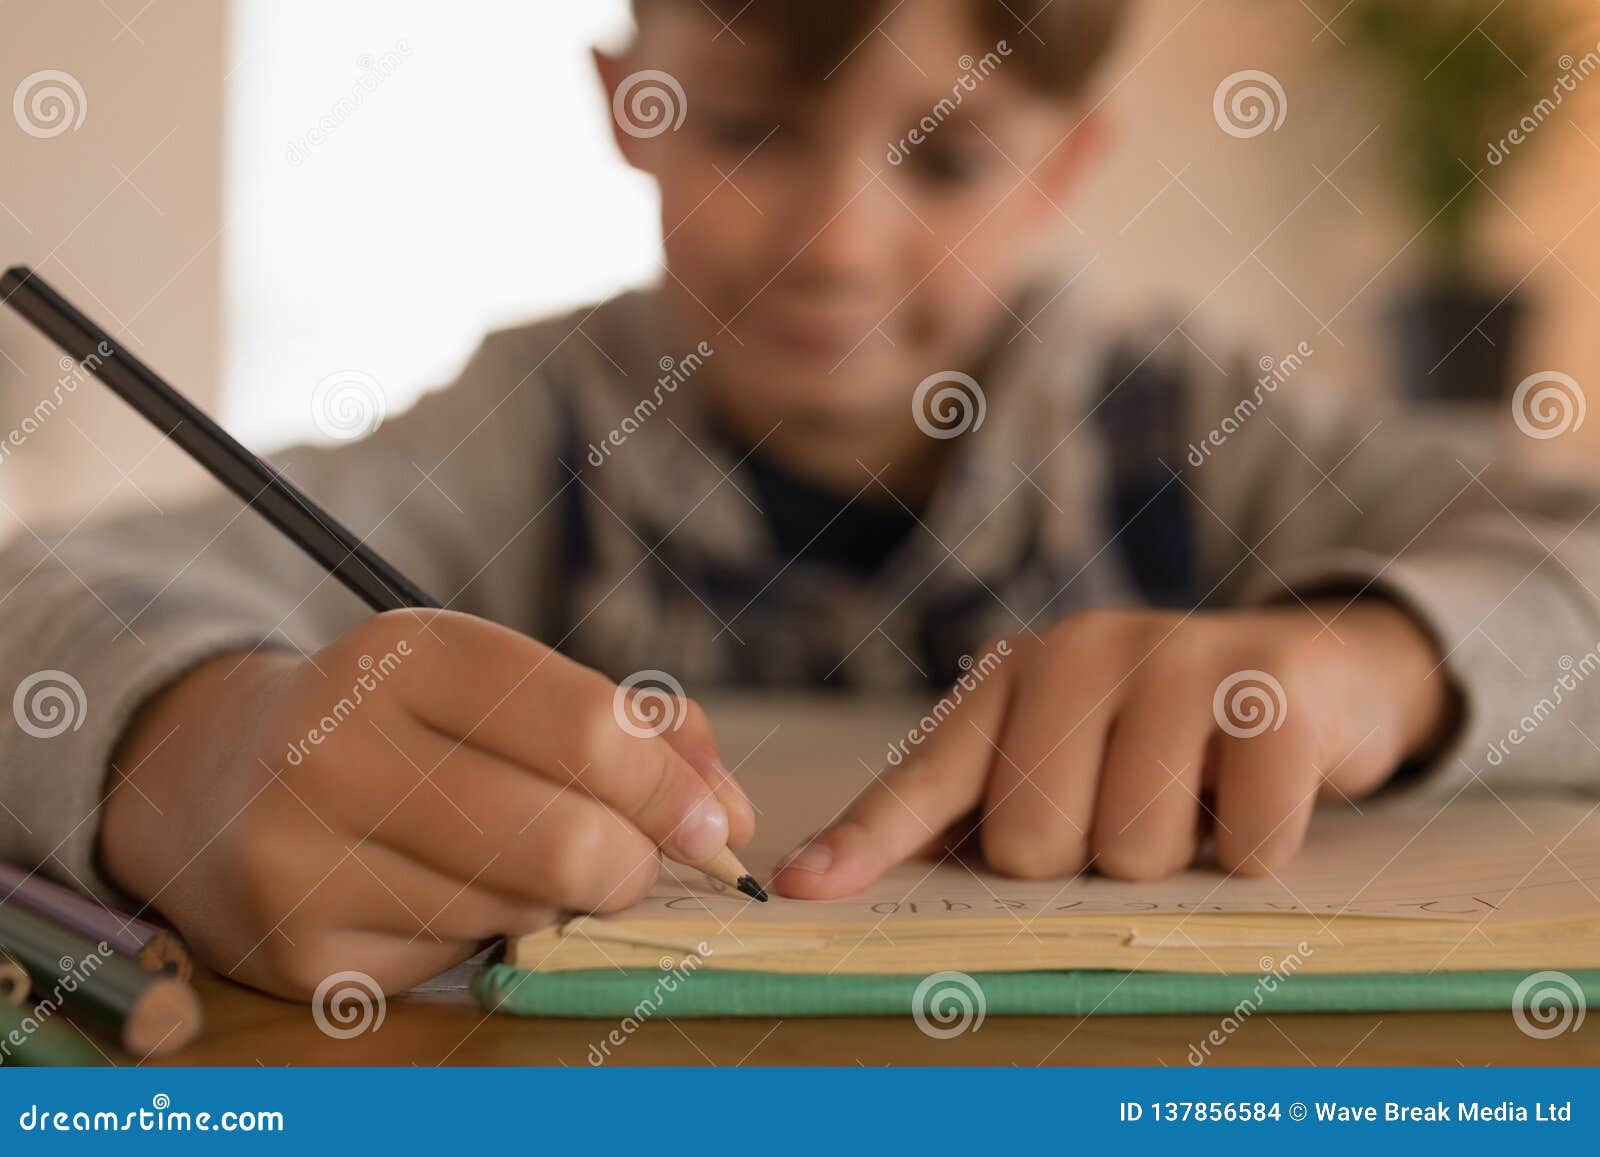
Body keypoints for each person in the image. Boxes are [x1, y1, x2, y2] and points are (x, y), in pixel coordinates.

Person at [2, 0, 1596, 999]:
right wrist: (192, 743)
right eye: (751, 129)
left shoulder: (1200, 422)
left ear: (1066, 165)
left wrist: (1374, 658)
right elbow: (45, 599)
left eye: (949, 160)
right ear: (628, 105)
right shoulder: (527, 426)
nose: (837, 242)